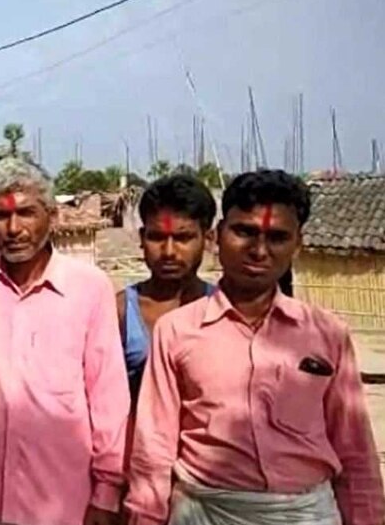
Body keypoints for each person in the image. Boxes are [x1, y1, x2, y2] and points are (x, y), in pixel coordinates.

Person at [125, 169, 385, 525]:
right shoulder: (177, 331)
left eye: (277, 237)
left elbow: (355, 451)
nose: (259, 250)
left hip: (306, 515)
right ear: (218, 236)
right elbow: (154, 448)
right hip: (206, 512)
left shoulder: (327, 334)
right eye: (244, 232)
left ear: (297, 244)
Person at [0, 157, 130, 525]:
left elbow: (108, 397)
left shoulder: (89, 287)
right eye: (0, 216)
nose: (14, 228)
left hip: (62, 499)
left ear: (53, 216)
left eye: (27, 213)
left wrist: (107, 492)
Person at [117, 175, 217, 408]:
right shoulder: (120, 312)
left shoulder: (225, 308)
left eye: (183, 238)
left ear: (208, 239)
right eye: (157, 237)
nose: (169, 251)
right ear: (142, 238)